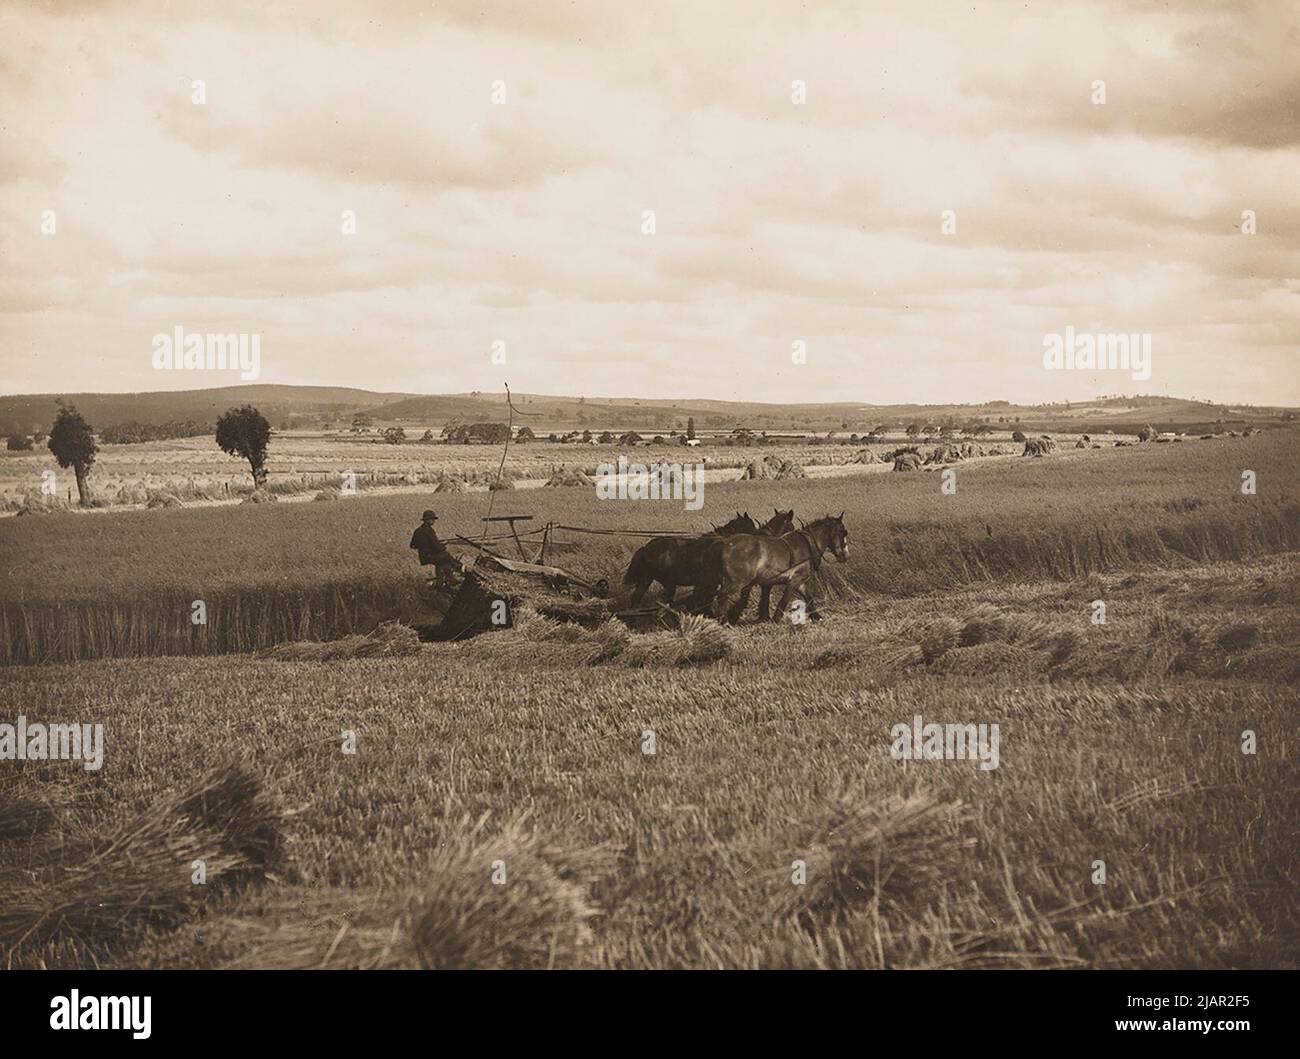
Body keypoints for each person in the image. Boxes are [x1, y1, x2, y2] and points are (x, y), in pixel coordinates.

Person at [410, 510, 458, 587]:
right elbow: (438, 547)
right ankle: (459, 569)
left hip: (423, 557)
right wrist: (444, 544)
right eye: (432, 519)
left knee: (442, 562)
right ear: (428, 520)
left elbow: (412, 545)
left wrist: (424, 546)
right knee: (445, 555)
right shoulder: (429, 531)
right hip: (430, 556)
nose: (433, 521)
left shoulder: (417, 531)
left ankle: (443, 582)